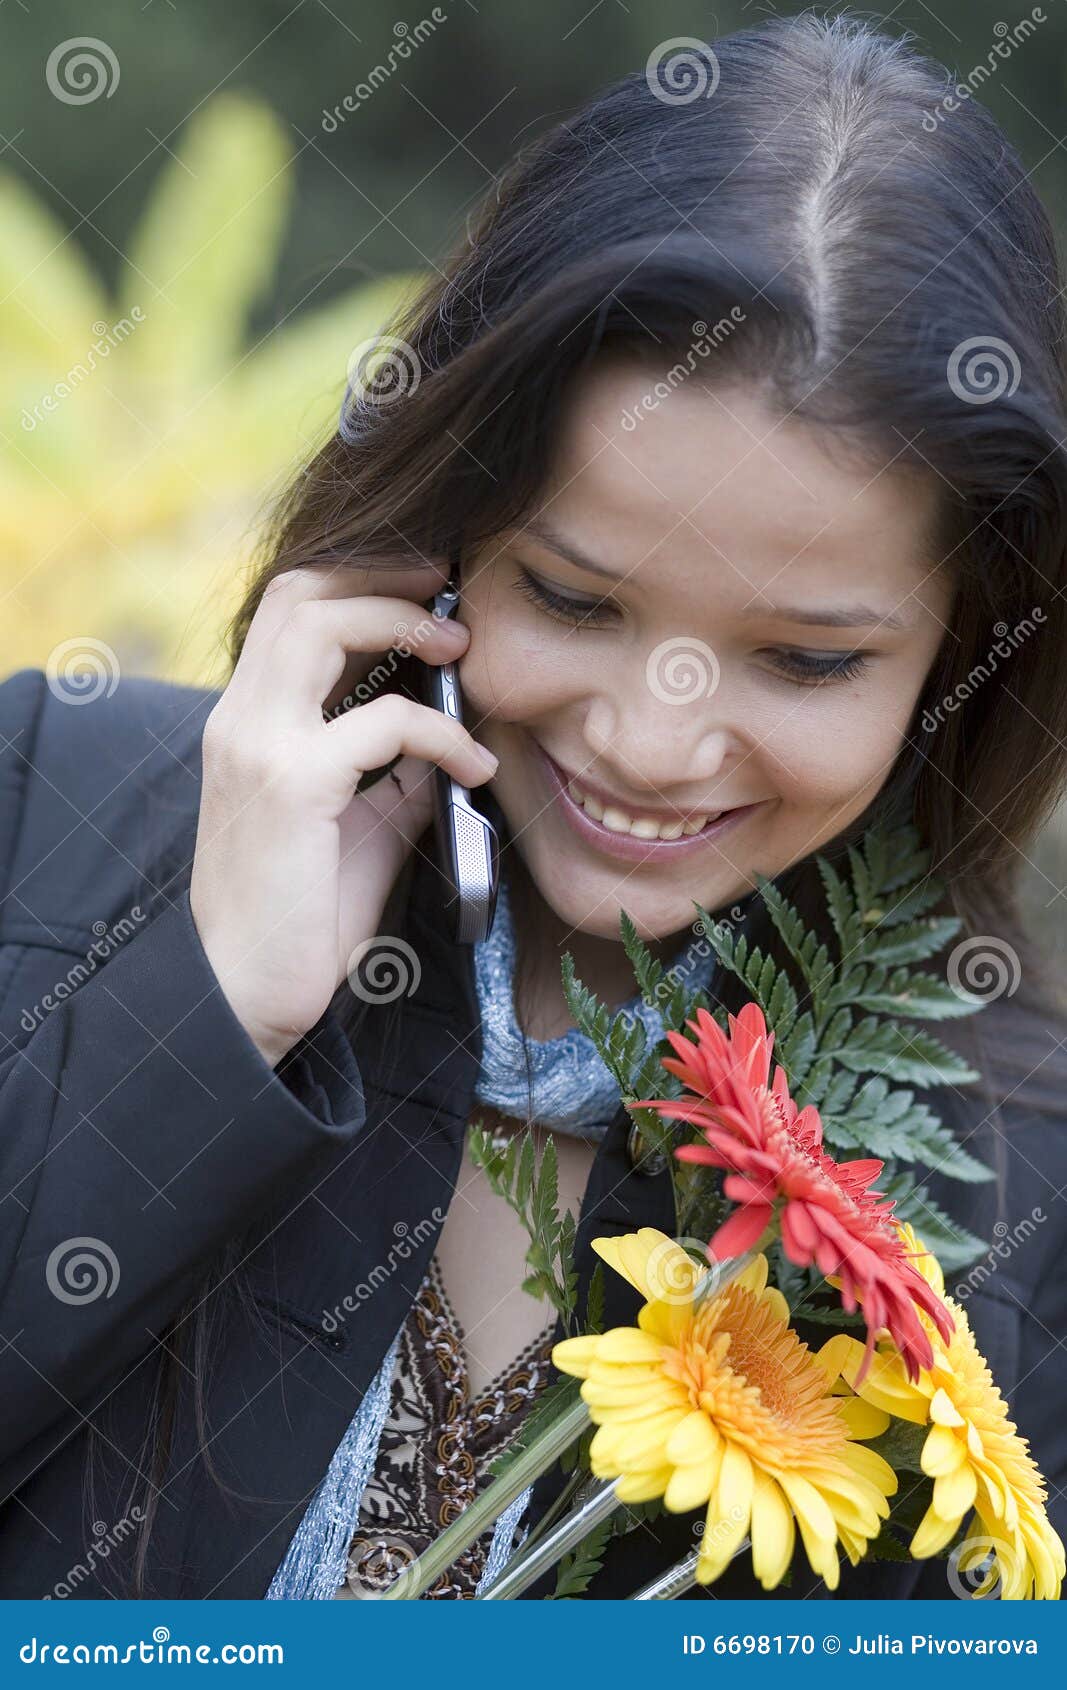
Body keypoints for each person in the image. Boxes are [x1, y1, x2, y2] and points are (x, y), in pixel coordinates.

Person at [2, 10, 1067, 1601]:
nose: (650, 741)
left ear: (960, 650)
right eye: (572, 600)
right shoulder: (45, 812)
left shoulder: (1017, 1201)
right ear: (444, 524)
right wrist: (204, 1011)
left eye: (802, 658)